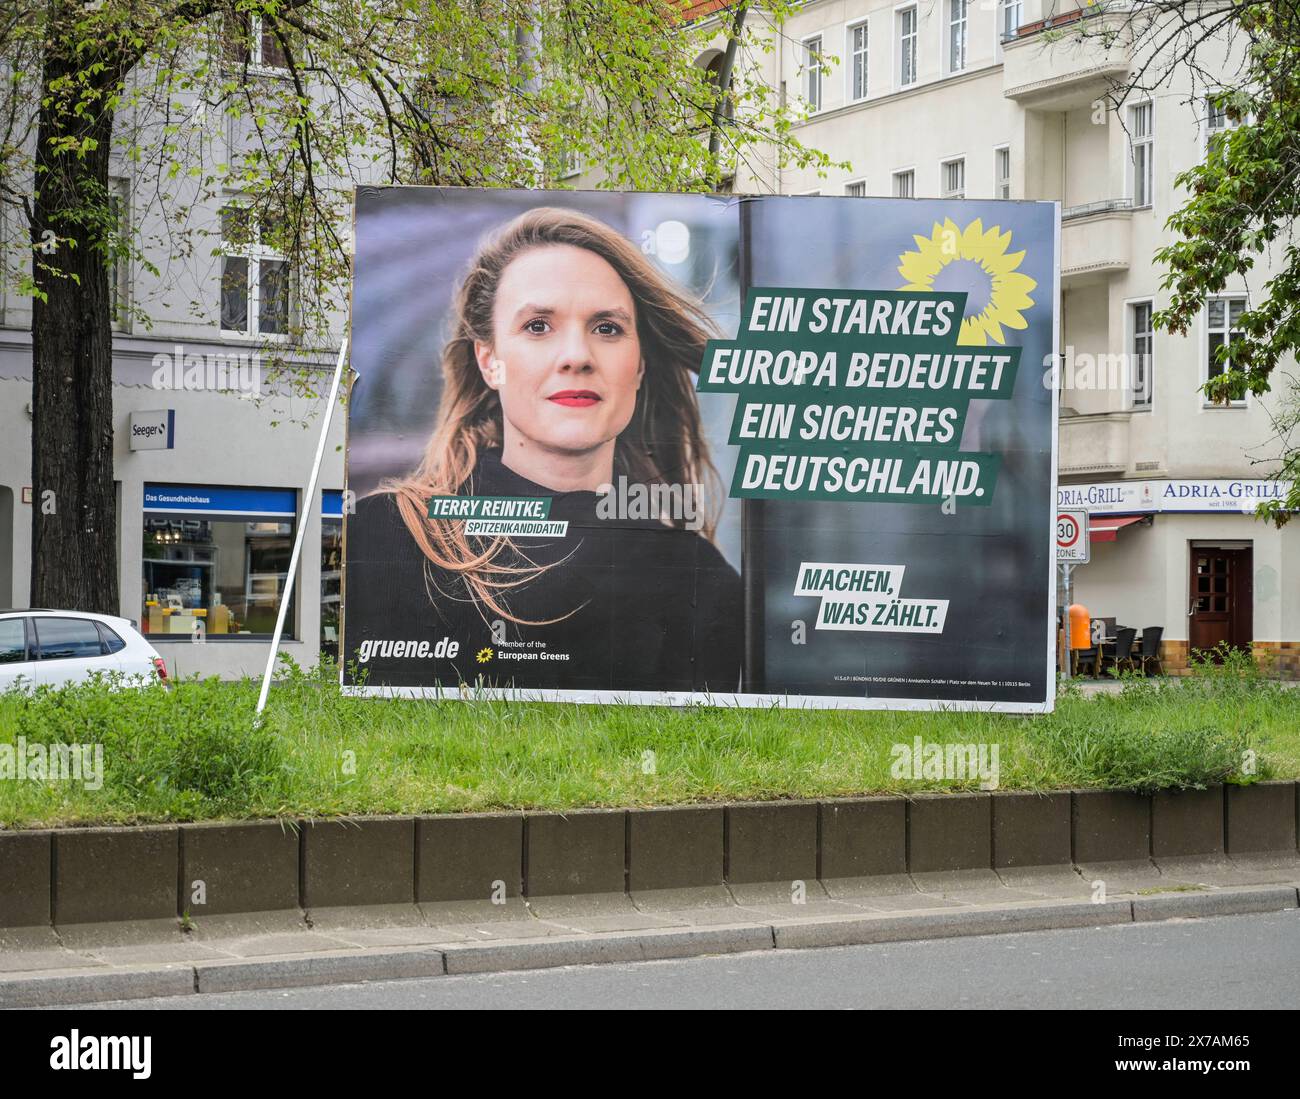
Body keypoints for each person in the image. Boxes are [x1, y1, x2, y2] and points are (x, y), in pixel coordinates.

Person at [345, 206, 743, 694]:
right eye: (538, 326)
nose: (576, 356)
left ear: (639, 367)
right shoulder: (387, 539)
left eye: (607, 328)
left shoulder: (701, 582)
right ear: (490, 362)